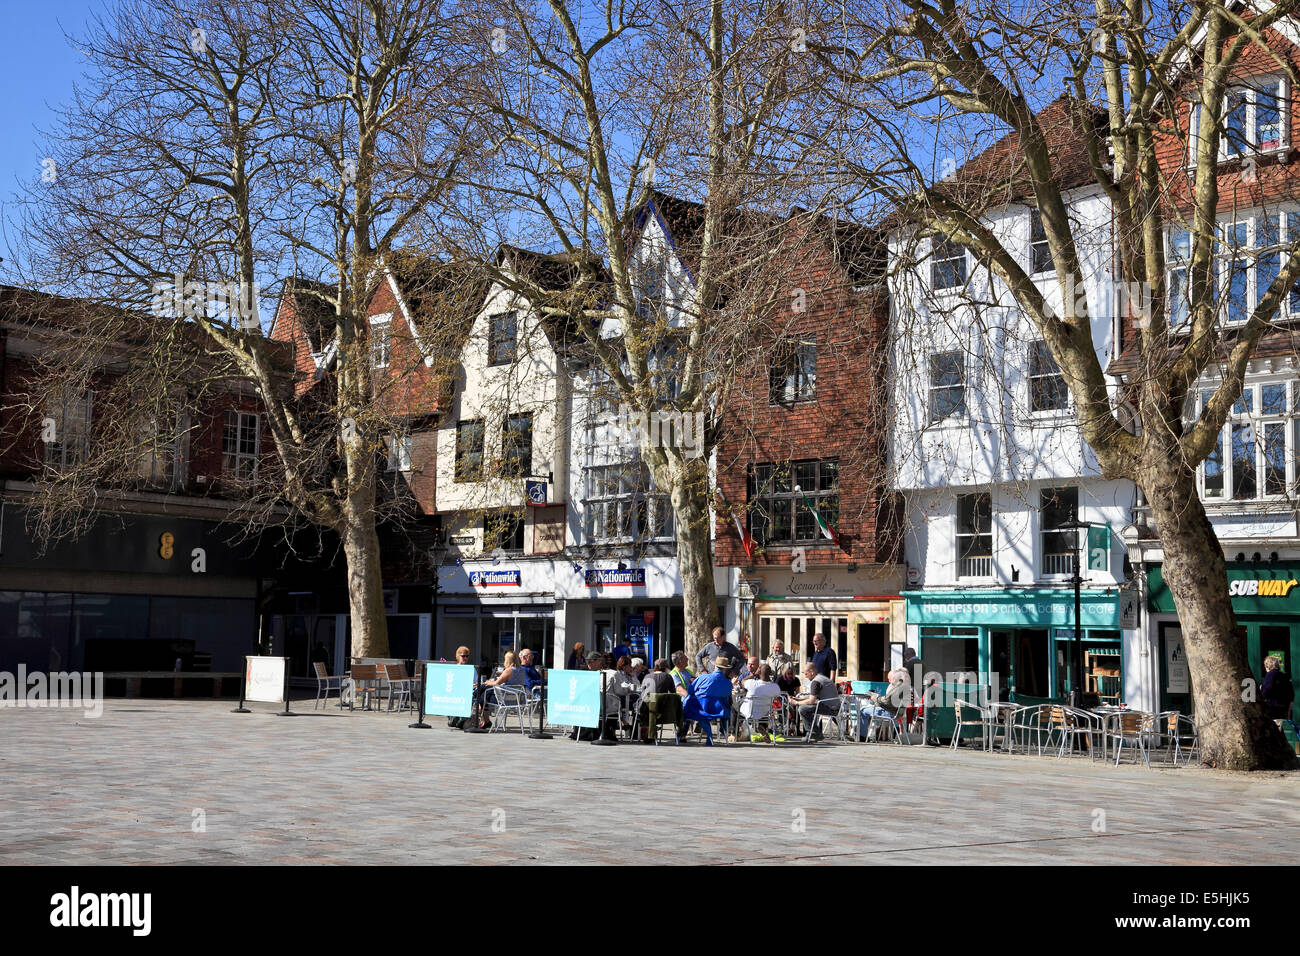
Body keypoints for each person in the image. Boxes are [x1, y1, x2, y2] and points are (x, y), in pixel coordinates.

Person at [683, 656, 737, 745]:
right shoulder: (728, 683)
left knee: (690, 705)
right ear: (724, 669)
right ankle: (722, 731)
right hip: (719, 710)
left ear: (714, 667)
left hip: (701, 709)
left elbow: (690, 690)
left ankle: (708, 734)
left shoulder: (703, 677)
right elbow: (727, 696)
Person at [791, 661, 841, 741]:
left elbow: (811, 701)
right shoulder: (821, 678)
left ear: (812, 672)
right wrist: (799, 699)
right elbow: (814, 697)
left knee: (803, 709)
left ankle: (814, 733)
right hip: (835, 706)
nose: (805, 676)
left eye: (806, 674)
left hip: (831, 708)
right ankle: (815, 733)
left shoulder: (816, 682)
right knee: (806, 707)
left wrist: (797, 703)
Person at [638, 658, 680, 742]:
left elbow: (641, 691)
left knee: (647, 704)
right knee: (655, 704)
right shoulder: (668, 676)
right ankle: (652, 731)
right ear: (665, 668)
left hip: (646, 709)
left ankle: (648, 731)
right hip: (663, 710)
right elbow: (673, 692)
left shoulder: (647, 676)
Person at [740, 663, 783, 742]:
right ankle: (760, 728)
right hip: (764, 713)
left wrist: (752, 675)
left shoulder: (752, 683)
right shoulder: (775, 687)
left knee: (733, 707)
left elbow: (742, 681)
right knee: (760, 711)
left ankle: (733, 732)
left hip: (749, 712)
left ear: (759, 672)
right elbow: (777, 696)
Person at [447, 645, 476, 729]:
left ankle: (461, 719)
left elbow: (476, 682)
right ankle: (455, 717)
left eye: (467, 656)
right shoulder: (454, 669)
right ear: (458, 656)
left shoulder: (472, 669)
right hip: (456, 692)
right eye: (463, 656)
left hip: (468, 691)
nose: (465, 658)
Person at [1262, 655, 1295, 720]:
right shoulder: (1284, 676)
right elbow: (1291, 693)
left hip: (1273, 707)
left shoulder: (1270, 675)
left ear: (1267, 666)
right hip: (1284, 707)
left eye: (1265, 666)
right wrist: (1289, 709)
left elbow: (1266, 690)